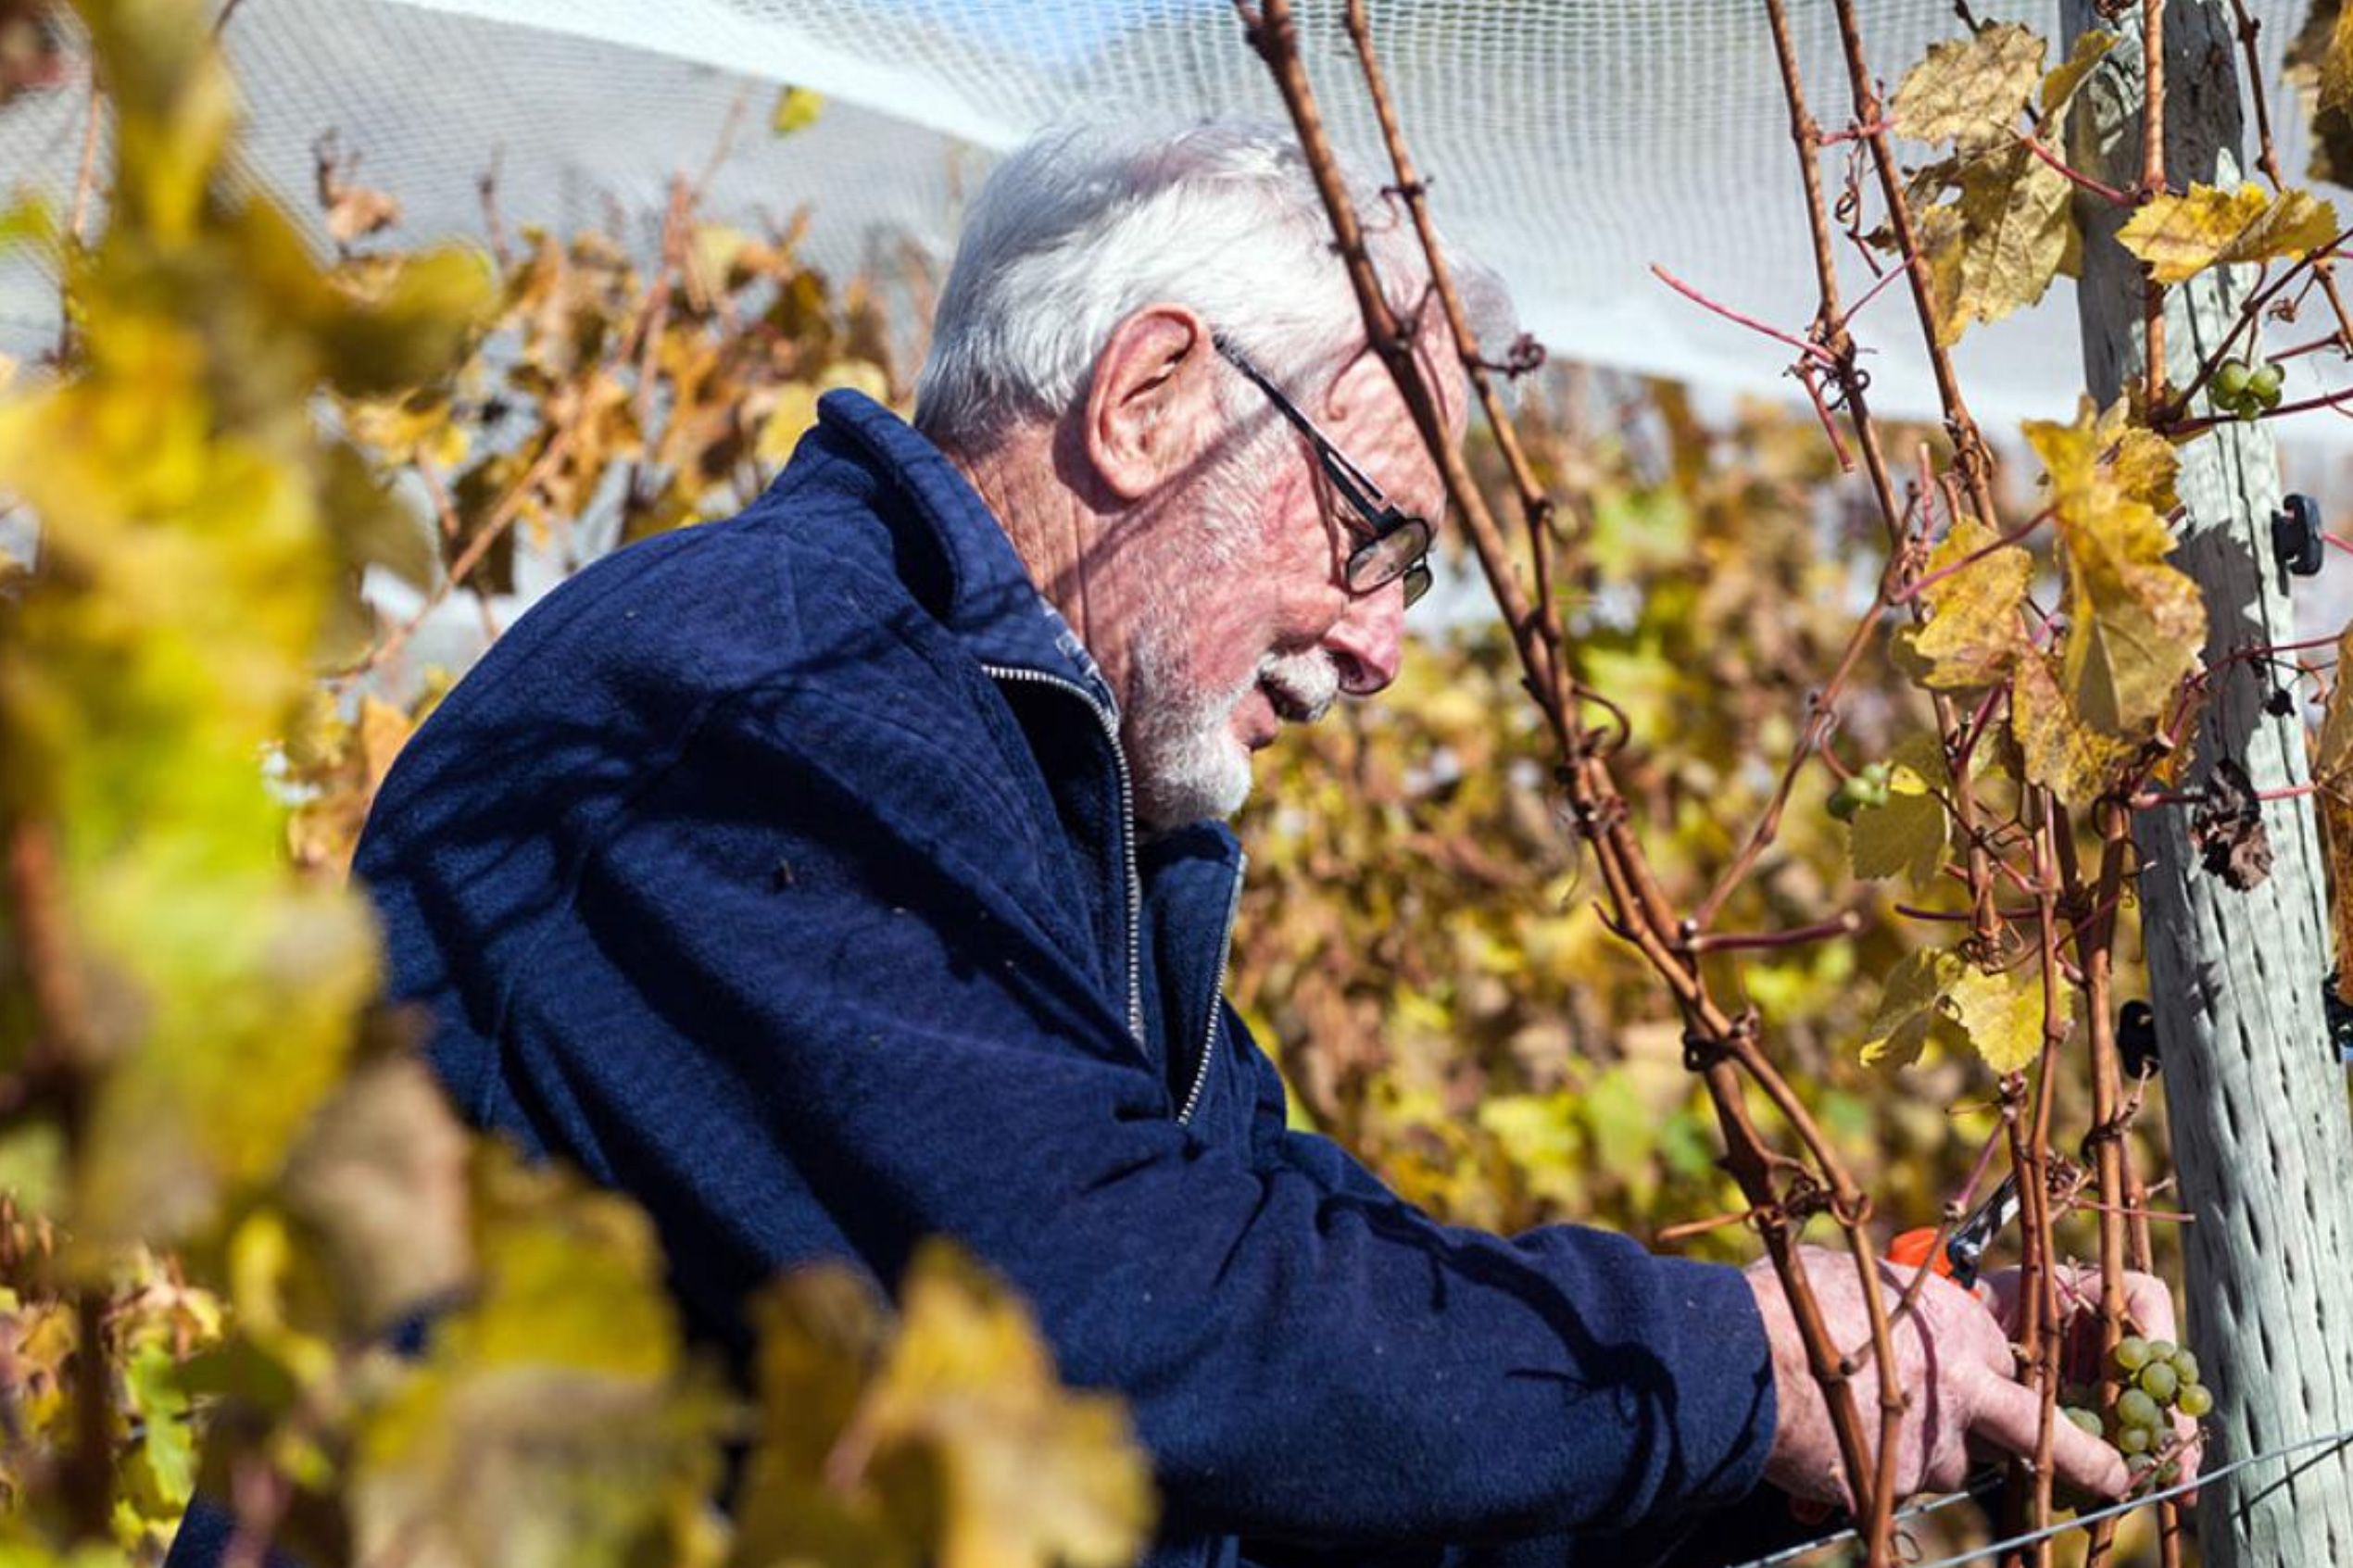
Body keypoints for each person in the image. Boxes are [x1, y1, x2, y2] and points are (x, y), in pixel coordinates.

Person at [338, 123, 2158, 1563]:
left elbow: (1331, 1365)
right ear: (1146, 402)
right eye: (1370, 533)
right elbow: (1150, 1328)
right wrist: (1732, 1364)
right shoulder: (756, 692)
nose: (1379, 640)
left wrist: (1875, 1381)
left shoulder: (1054, 807)